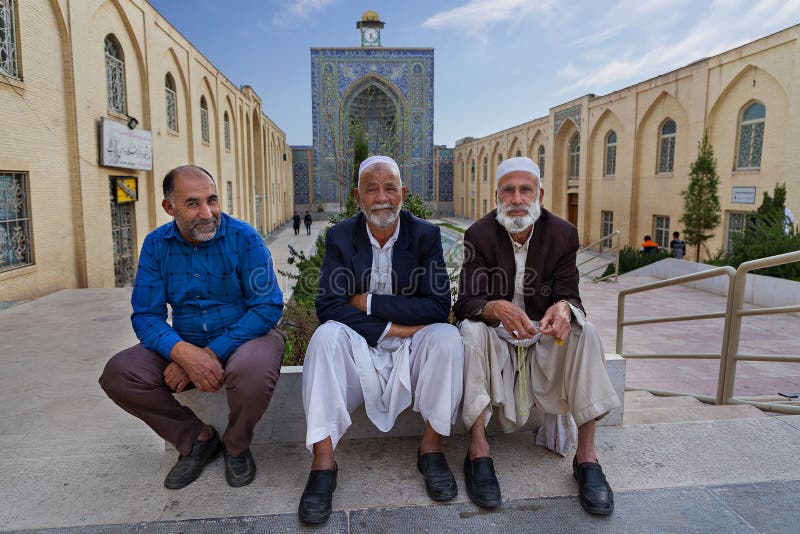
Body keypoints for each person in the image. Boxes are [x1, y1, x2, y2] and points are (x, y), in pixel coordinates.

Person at [298, 155, 464, 525]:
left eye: (390, 188)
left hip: (413, 346)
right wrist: (391, 327)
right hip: (361, 342)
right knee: (325, 338)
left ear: (403, 193)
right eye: (371, 189)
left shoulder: (424, 235)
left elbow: (437, 306)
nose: (382, 197)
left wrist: (369, 301)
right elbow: (328, 305)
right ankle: (323, 463)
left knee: (448, 338)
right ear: (358, 198)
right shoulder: (341, 236)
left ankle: (431, 449)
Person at [99, 165, 285, 490]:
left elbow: (267, 305)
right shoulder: (157, 246)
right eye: (193, 204)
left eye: (212, 200)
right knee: (119, 374)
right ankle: (197, 438)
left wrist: (209, 354)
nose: (207, 212)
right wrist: (181, 352)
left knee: (253, 372)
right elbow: (146, 315)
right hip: (186, 338)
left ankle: (236, 446)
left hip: (246, 337)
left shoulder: (244, 238)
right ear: (169, 207)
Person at [454, 157, 620, 515]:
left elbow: (570, 295)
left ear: (539, 194)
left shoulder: (562, 234)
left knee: (584, 332)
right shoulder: (479, 235)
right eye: (508, 190)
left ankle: (586, 458)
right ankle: (478, 449)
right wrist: (496, 308)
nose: (517, 198)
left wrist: (563, 308)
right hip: (497, 340)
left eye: (525, 189)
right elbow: (466, 300)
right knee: (468, 330)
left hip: (541, 338)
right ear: (496, 195)